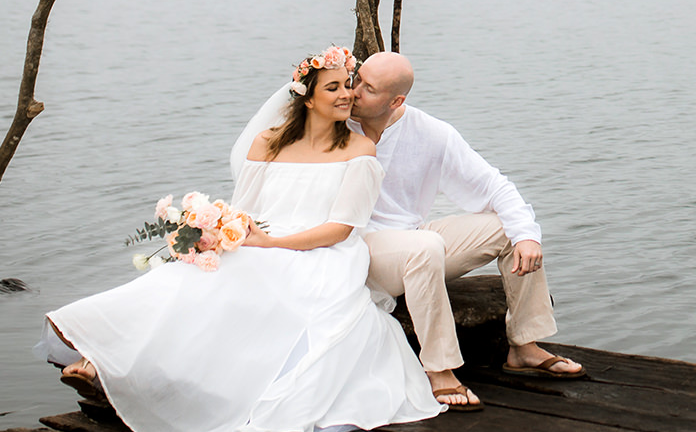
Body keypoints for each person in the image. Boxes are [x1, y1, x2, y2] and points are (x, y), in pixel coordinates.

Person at [44, 48, 441, 432]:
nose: (346, 95)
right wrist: (217, 232)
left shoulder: (359, 151)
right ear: (307, 97)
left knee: (243, 285)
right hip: (260, 241)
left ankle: (123, 366)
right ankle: (96, 349)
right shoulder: (267, 143)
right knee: (185, 277)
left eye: (349, 85)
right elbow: (245, 210)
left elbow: (340, 229)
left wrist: (274, 243)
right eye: (333, 87)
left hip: (322, 254)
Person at [233, 50, 583, 413]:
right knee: (424, 247)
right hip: (354, 246)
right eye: (356, 81)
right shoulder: (335, 122)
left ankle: (524, 345)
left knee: (511, 228)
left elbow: (495, 186)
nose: (352, 93)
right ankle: (440, 368)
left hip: (411, 236)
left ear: (396, 100)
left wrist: (527, 235)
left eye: (366, 88)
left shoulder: (429, 133)